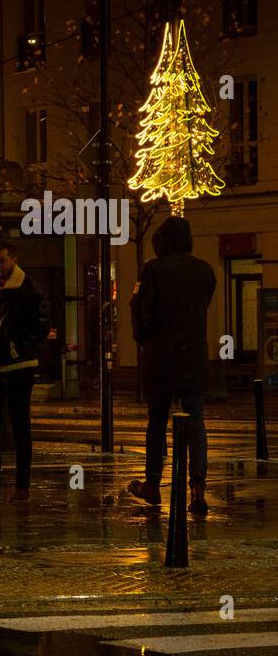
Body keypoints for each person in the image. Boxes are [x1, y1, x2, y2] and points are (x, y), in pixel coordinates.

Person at [127, 216, 216, 514]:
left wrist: (144, 337)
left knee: (157, 421)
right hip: (194, 355)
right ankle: (197, 487)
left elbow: (142, 314)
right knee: (196, 421)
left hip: (161, 358)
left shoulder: (153, 269)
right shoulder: (205, 271)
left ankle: (153, 484)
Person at [0, 239, 49, 502]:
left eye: (1, 260)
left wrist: (15, 348)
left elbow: (41, 325)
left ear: (14, 260)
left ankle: (21, 485)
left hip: (20, 365)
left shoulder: (29, 289)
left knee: (20, 424)